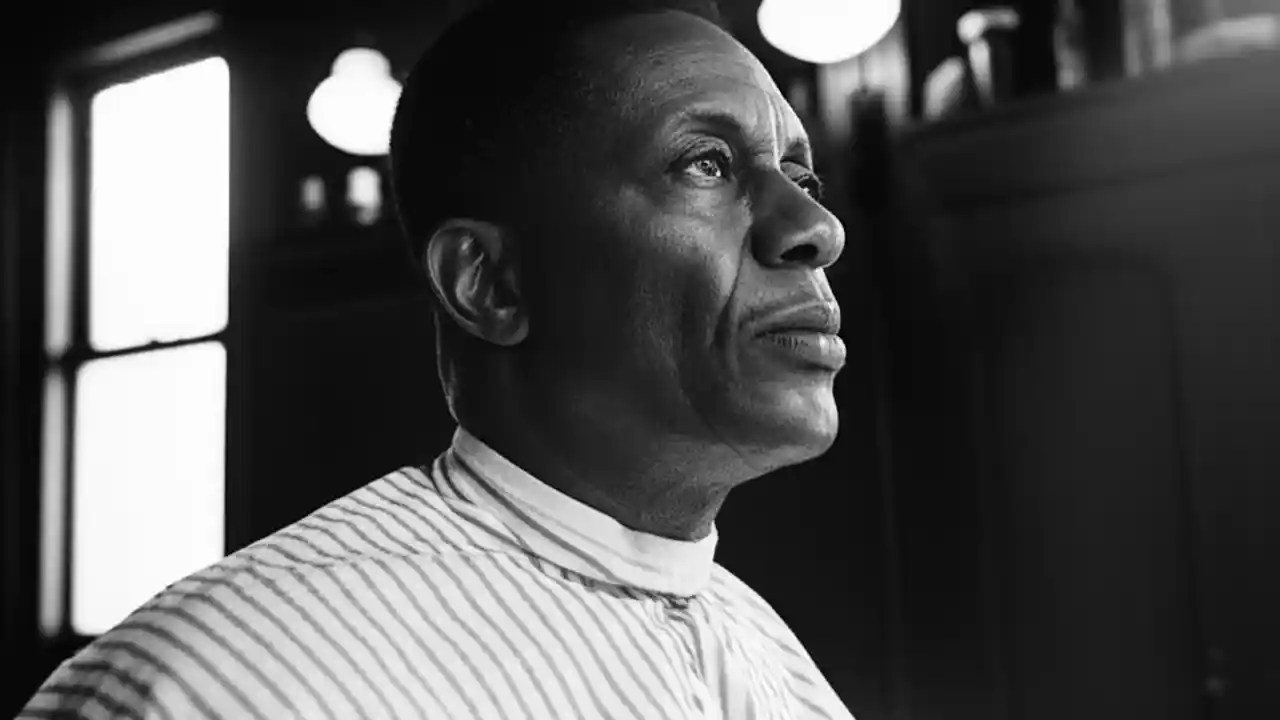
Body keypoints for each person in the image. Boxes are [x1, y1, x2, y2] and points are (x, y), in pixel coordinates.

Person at [21, 0, 854, 716]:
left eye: (803, 179)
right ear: (489, 284)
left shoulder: (776, 661)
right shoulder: (233, 680)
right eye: (704, 163)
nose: (817, 230)